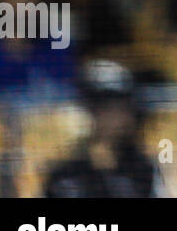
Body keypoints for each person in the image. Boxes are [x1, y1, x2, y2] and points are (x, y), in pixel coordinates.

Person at [44, 59, 167, 198]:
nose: (110, 119)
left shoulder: (144, 170)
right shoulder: (63, 173)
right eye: (101, 109)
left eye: (120, 109)